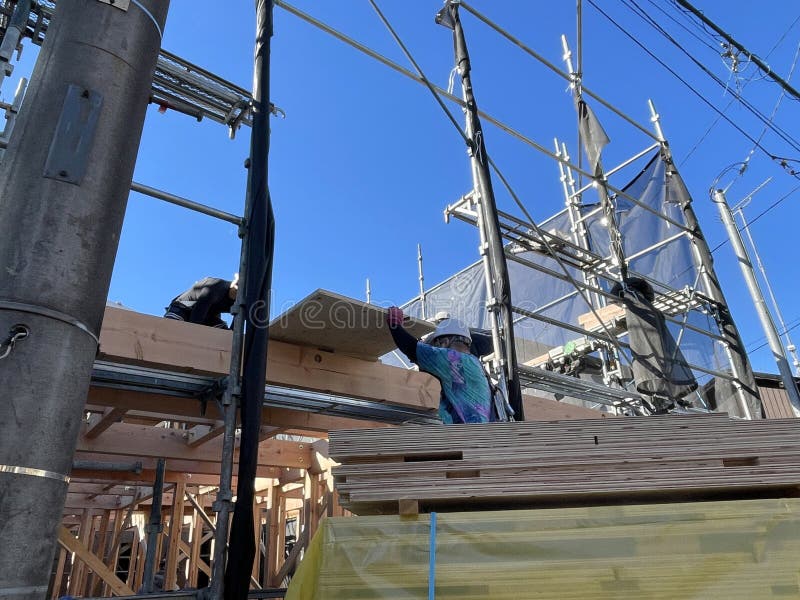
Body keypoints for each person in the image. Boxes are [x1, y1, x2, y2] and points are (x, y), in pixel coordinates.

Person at [386, 306, 492, 424]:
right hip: (476, 433)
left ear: (445, 342)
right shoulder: (472, 364)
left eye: (436, 346)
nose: (436, 350)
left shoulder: (454, 359)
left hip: (466, 434)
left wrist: (394, 324)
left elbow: (411, 348)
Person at [164, 275, 238, 328]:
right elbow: (195, 321)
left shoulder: (240, 303)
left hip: (206, 316)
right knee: (171, 328)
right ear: (234, 283)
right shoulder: (214, 287)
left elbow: (234, 334)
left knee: (224, 336)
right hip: (183, 308)